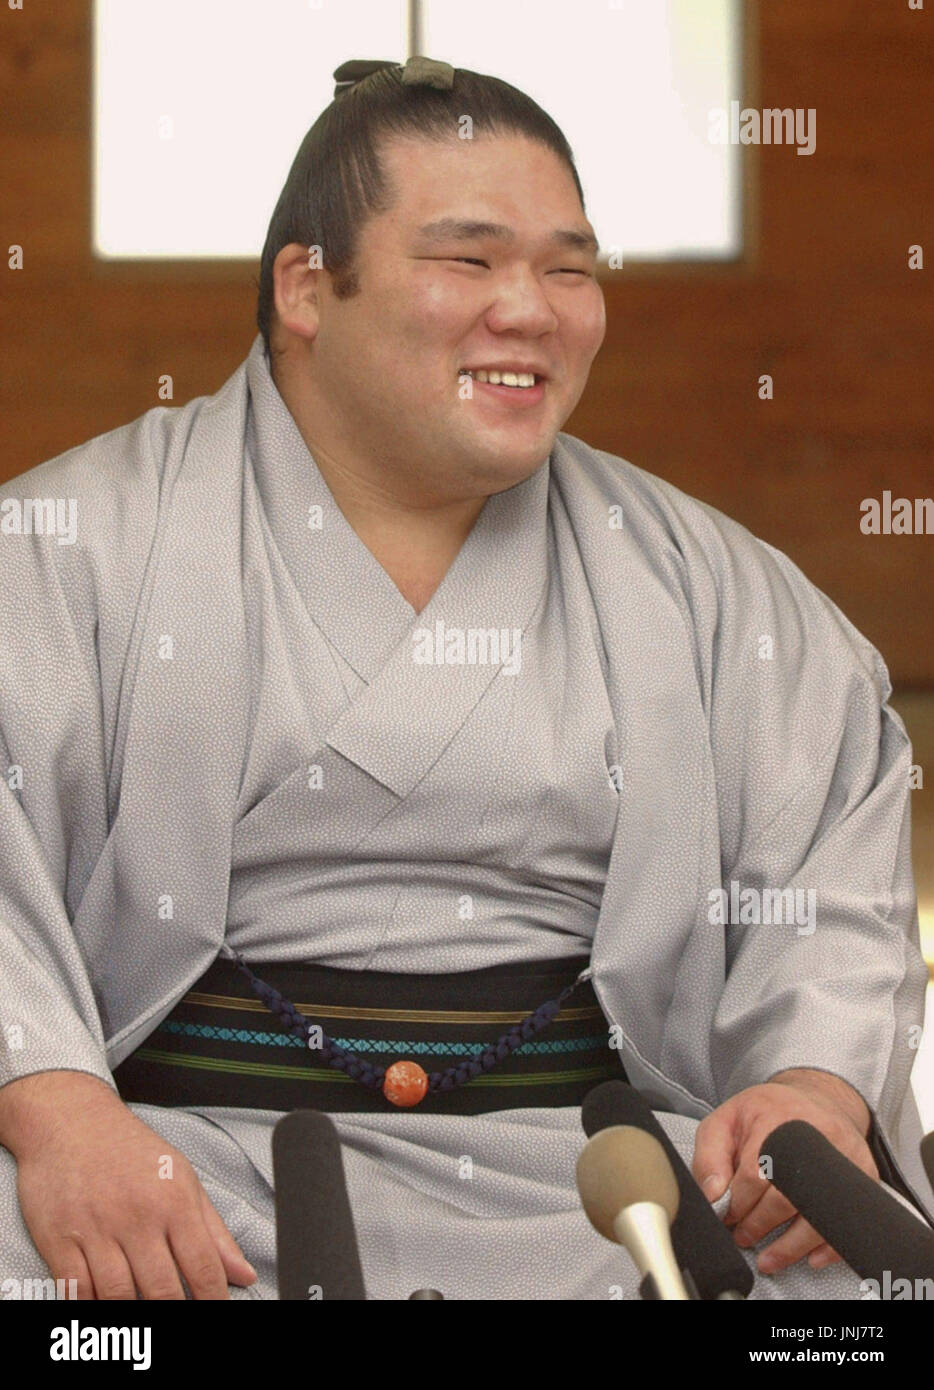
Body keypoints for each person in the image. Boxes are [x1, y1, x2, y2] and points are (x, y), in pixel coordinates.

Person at [0, 56, 930, 1302]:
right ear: (306, 288)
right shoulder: (70, 548)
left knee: (853, 1285)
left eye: (567, 268)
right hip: (179, 1172)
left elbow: (829, 860)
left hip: (609, 1179)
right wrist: (55, 1109)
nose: (532, 310)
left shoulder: (706, 584)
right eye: (468, 259)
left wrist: (810, 1084)